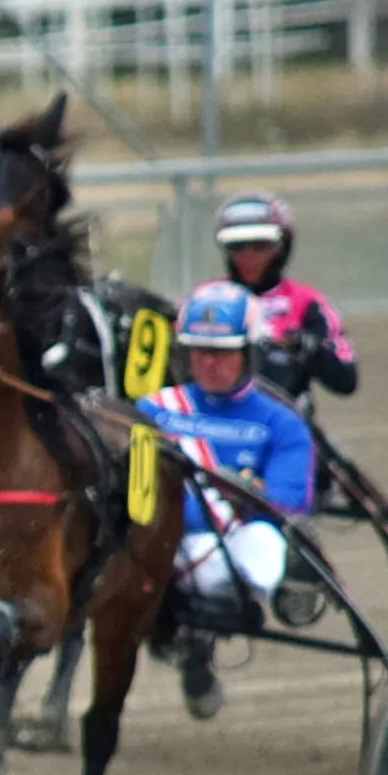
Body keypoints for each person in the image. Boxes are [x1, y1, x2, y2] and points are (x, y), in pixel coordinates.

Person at [136, 281, 315, 720]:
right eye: (198, 351)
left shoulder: (282, 424)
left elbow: (289, 501)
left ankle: (192, 632)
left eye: (222, 352)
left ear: (249, 354)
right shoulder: (153, 411)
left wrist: (246, 495)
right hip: (160, 542)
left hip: (234, 546)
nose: (208, 363)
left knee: (266, 552)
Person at [213, 193, 356, 408]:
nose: (248, 255)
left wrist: (309, 347)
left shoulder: (307, 302)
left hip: (289, 425)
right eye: (237, 246)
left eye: (260, 245)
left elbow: (347, 381)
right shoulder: (204, 300)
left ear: (283, 245)